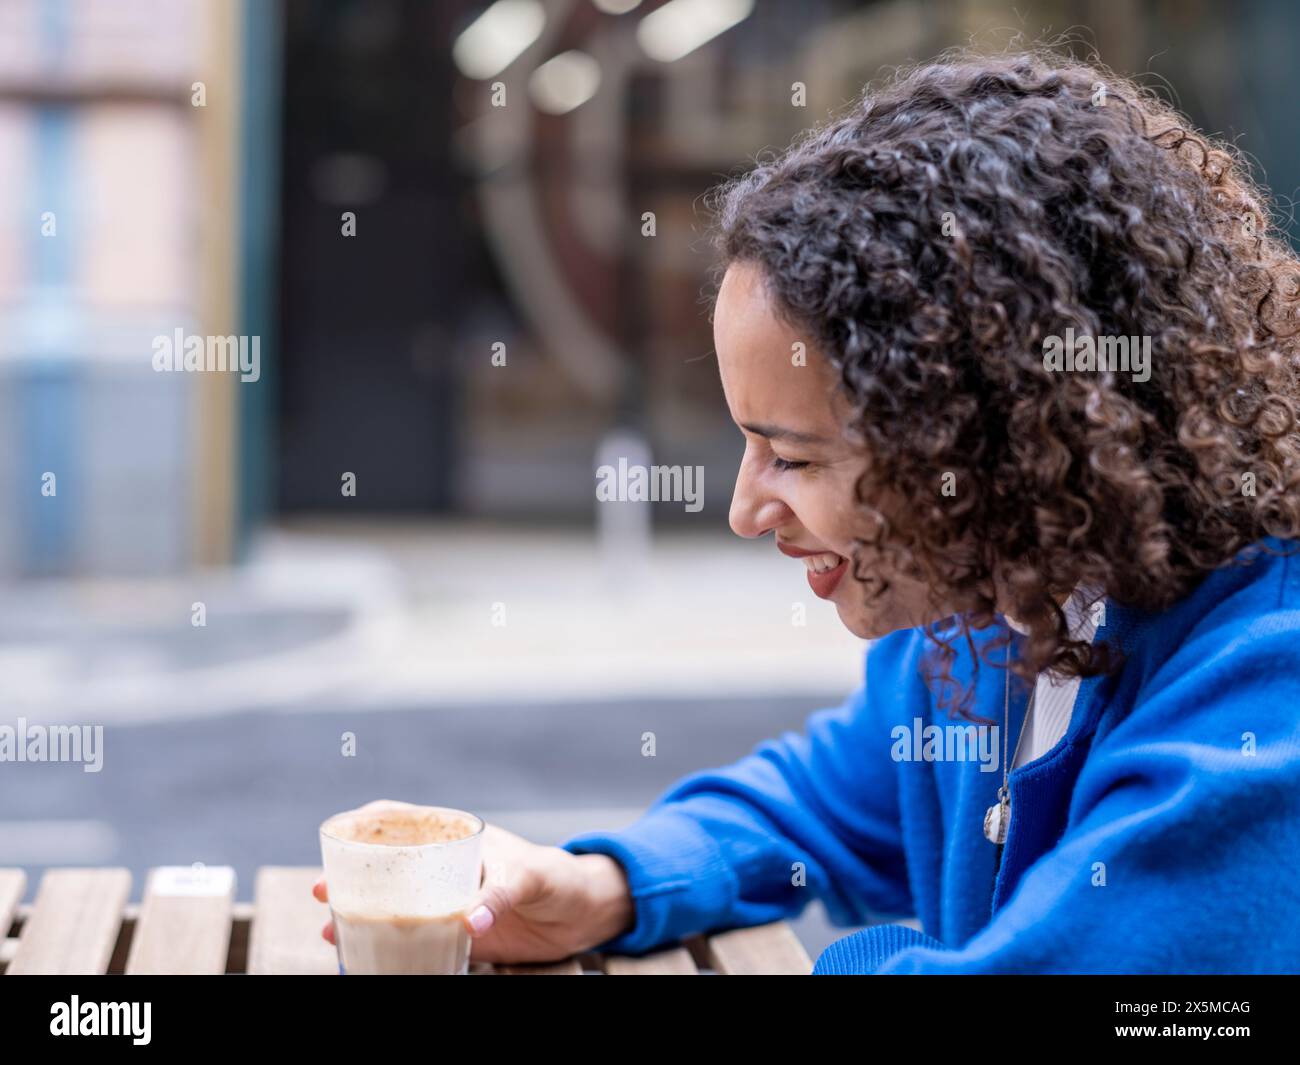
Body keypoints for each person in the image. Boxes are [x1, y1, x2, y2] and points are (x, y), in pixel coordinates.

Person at [315, 48, 1300, 974]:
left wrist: (862, 954)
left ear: (988, 438)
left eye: (790, 456)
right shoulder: (992, 613)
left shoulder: (1264, 697)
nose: (746, 511)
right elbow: (818, 803)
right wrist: (603, 883)